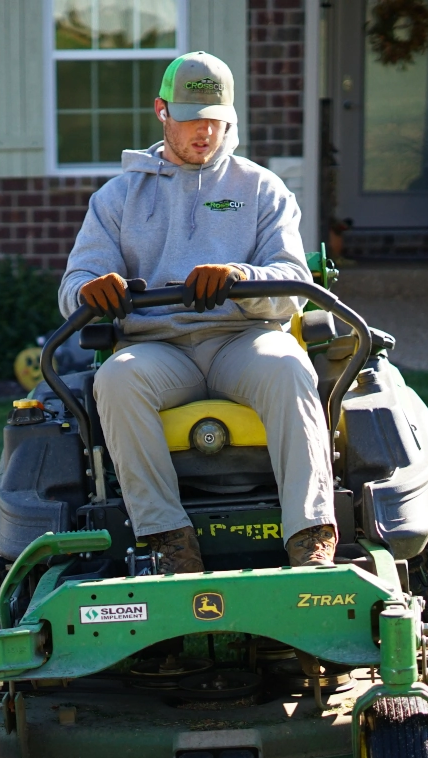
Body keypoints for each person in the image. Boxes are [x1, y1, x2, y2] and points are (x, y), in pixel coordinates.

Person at [59, 51, 337, 574]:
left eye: (215, 121)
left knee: (289, 367)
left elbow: (292, 287)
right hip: (157, 347)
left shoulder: (260, 189)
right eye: (191, 120)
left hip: (244, 340)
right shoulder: (117, 198)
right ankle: (167, 539)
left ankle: (311, 536)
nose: (204, 133)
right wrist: (91, 291)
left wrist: (240, 278)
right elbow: (74, 285)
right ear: (161, 111)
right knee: (115, 380)